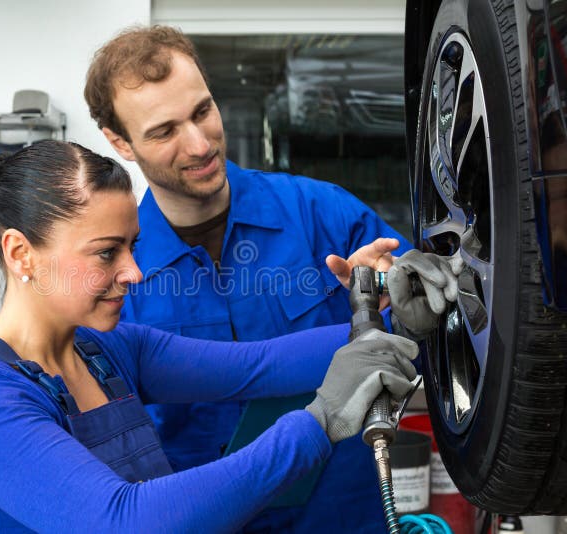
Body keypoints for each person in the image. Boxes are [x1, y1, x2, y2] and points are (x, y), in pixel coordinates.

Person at [0, 139, 421, 533]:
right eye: (106, 252)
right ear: (20, 253)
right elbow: (123, 521)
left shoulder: (108, 352)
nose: (134, 272)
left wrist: (401, 319)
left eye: (131, 247)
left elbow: (258, 366)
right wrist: (318, 422)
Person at [84, 25, 460, 532]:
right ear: (120, 142)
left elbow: (433, 319)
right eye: (165, 131)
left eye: (202, 111)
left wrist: (391, 297)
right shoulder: (117, 275)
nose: (199, 144)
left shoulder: (322, 214)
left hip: (342, 517)